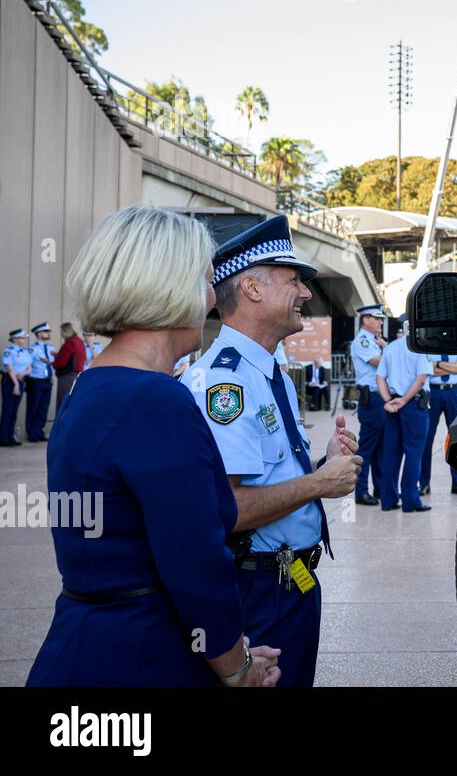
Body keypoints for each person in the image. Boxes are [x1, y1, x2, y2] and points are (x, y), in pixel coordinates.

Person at [27, 204, 281, 687]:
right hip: (143, 655)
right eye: (207, 282)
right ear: (170, 288)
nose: (211, 300)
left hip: (89, 643)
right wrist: (237, 667)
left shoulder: (93, 386)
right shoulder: (155, 398)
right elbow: (195, 563)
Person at [190, 215, 361, 687]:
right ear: (251, 289)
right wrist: (319, 484)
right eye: (293, 281)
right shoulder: (225, 382)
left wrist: (322, 462)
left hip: (293, 582)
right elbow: (229, 509)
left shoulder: (271, 373)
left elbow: (271, 473)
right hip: (259, 590)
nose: (306, 293)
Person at [376, 315, 433, 513]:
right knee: (414, 453)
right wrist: (404, 400)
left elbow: (380, 377)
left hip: (394, 404)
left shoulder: (391, 347)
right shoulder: (421, 346)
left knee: (391, 453)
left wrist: (388, 401)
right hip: (413, 406)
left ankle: (388, 500)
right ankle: (410, 501)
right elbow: (421, 379)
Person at [420, 348, 457, 496]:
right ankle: (424, 483)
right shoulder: (427, 346)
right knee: (426, 438)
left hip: (454, 392)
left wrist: (438, 365)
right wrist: (452, 368)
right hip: (432, 392)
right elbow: (426, 370)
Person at [349, 304, 387, 506]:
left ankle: (380, 489)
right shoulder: (363, 341)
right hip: (371, 399)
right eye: (377, 318)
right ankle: (361, 490)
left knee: (381, 447)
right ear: (366, 320)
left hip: (379, 397)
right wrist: (387, 349)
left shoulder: (374, 340)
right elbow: (379, 362)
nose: (381, 321)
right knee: (367, 448)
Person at [24, 323, 55, 442]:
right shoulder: (32, 349)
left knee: (43, 407)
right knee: (34, 407)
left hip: (47, 381)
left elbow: (53, 363)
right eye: (46, 332)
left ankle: (39, 431)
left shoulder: (51, 348)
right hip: (36, 381)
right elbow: (28, 364)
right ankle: (31, 433)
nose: (48, 334)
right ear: (39, 334)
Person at [1, 328, 32, 446]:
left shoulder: (25, 352)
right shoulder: (9, 351)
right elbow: (9, 368)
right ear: (15, 339)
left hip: (20, 380)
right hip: (10, 382)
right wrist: (15, 384)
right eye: (22, 338)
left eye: (25, 338)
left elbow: (29, 367)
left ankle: (10, 436)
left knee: (14, 411)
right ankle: (3, 438)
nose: (24, 340)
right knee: (7, 410)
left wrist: (23, 374)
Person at [51, 323, 87, 417]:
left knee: (63, 404)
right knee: (71, 404)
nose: (61, 334)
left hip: (67, 376)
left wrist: (51, 362)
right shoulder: (79, 341)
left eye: (61, 332)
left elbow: (61, 363)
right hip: (76, 376)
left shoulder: (70, 343)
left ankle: (60, 430)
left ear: (65, 331)